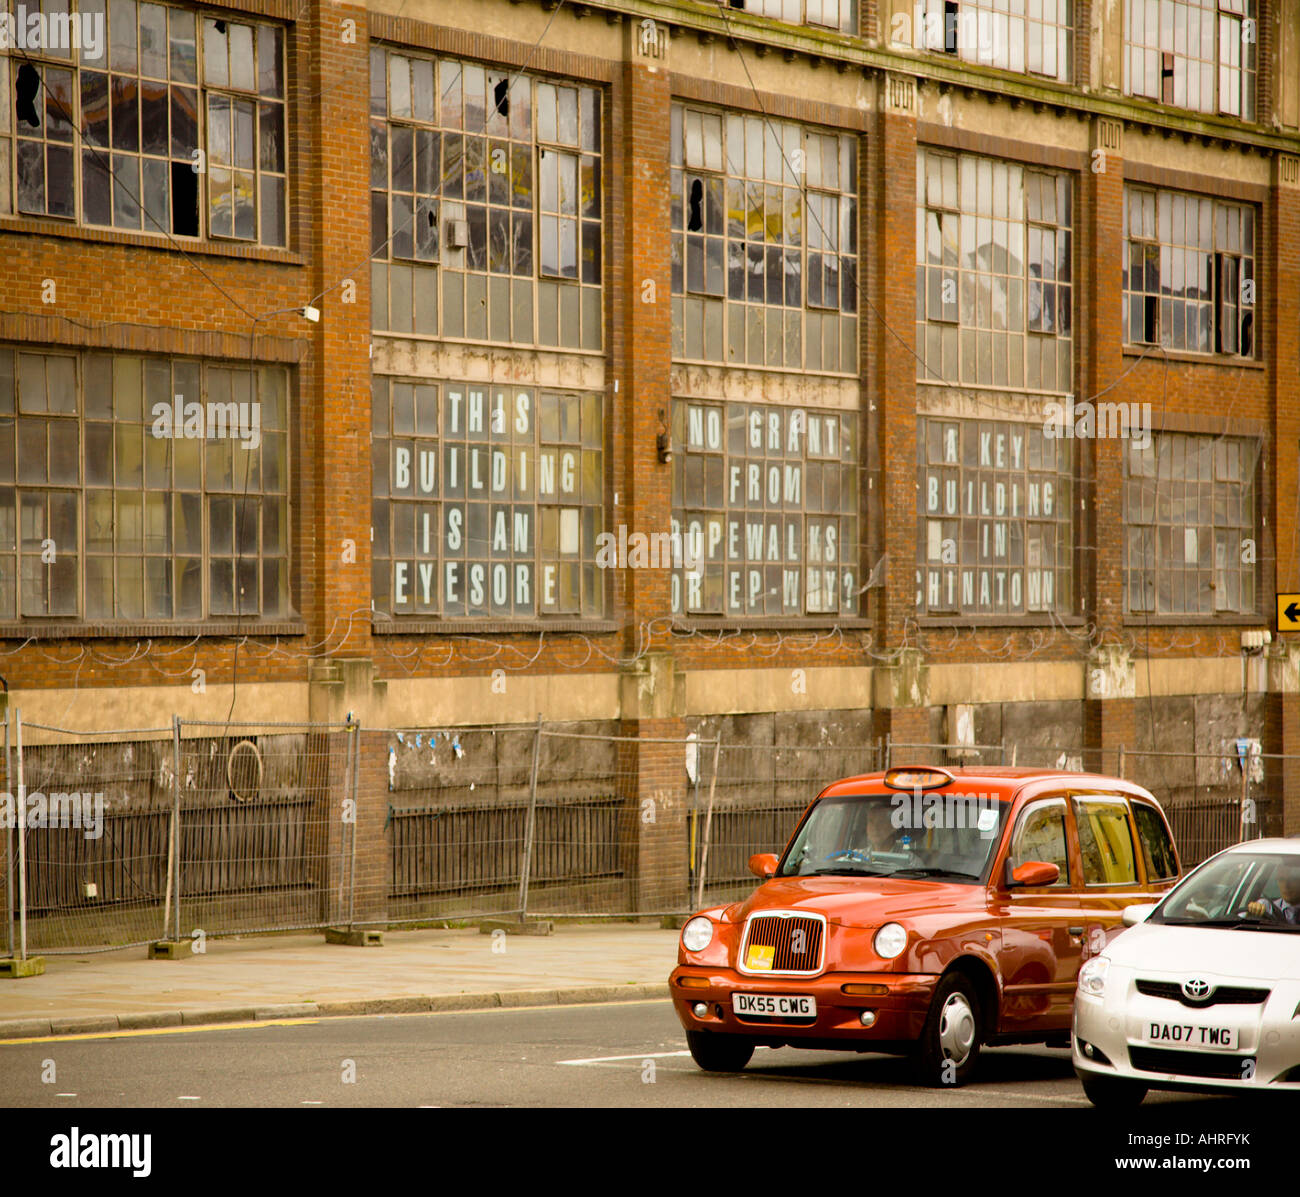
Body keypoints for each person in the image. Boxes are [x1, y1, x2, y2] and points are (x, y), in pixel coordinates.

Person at [1246, 858, 1300, 924]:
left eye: (1292, 880)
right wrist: (1250, 912)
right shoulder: (1266, 907)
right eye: (1281, 880)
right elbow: (1238, 919)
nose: (1286, 885)